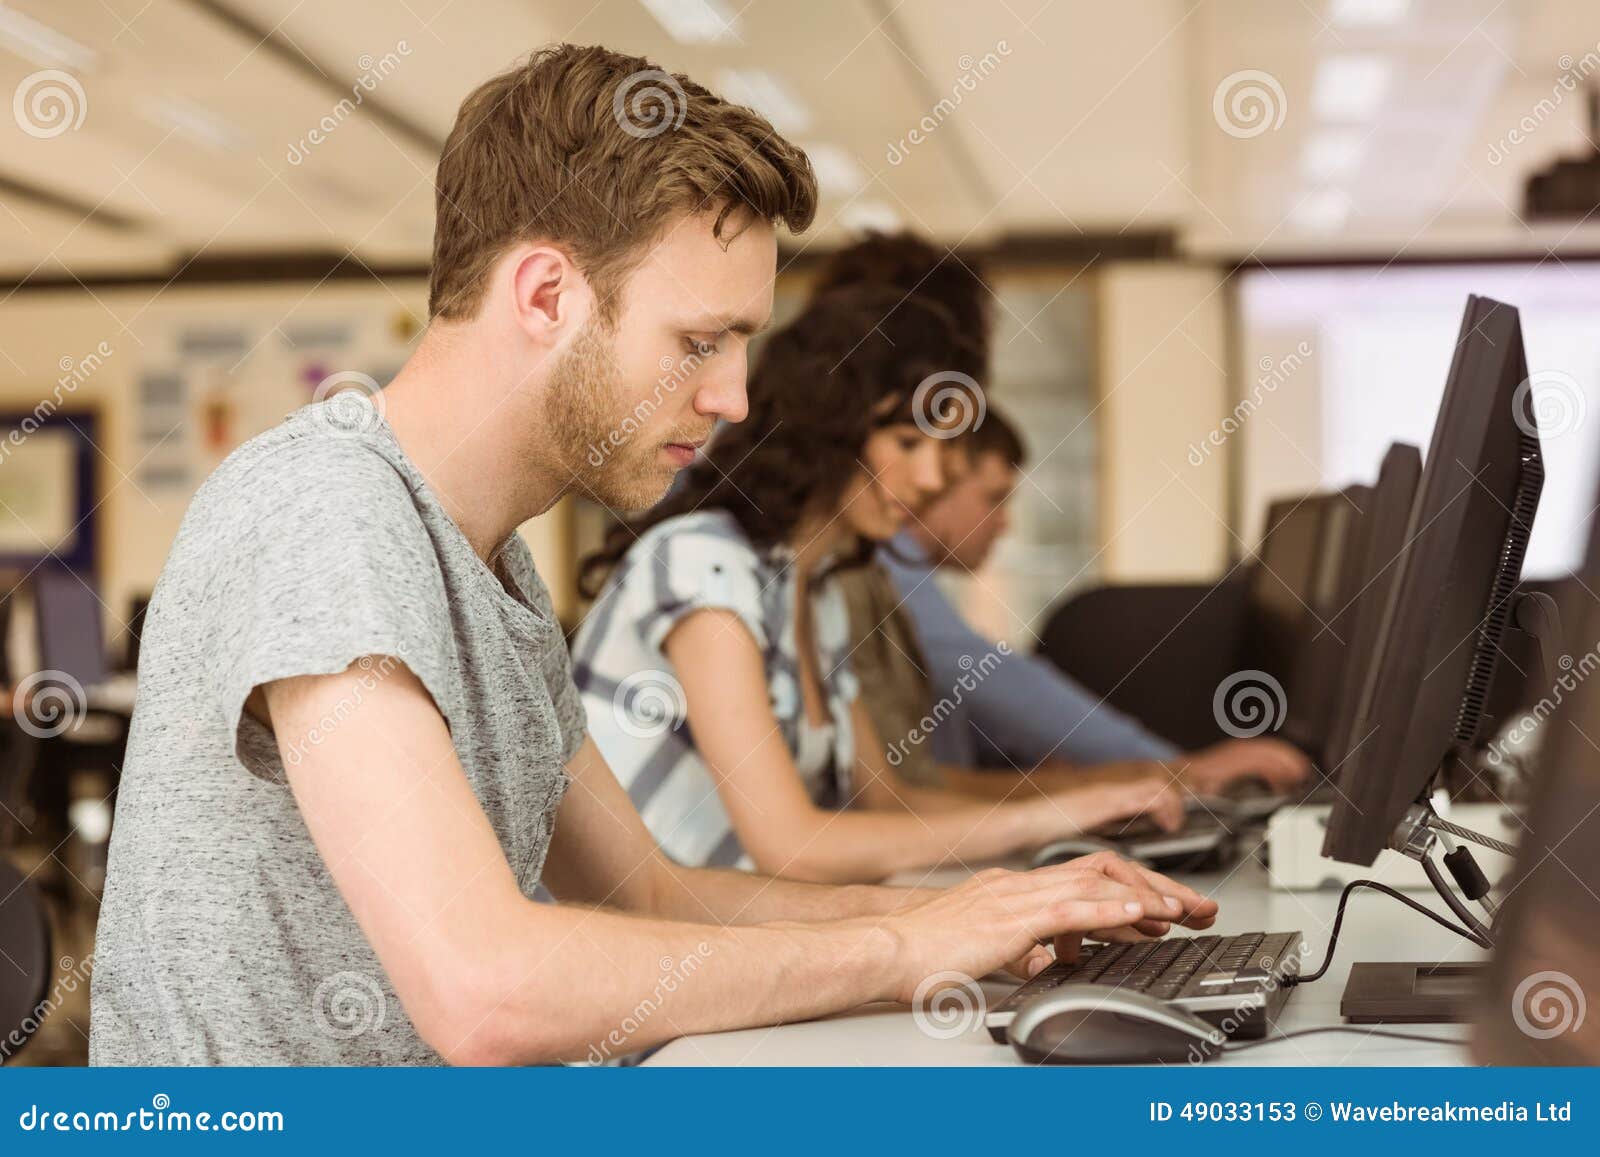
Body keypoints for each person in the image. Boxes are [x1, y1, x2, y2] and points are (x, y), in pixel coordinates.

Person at [89, 45, 1216, 1067]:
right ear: (544, 295)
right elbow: (485, 990)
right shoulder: (323, 508)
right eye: (696, 342)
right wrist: (901, 945)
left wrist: (977, 911)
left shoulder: (494, 565)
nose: (731, 397)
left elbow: (654, 893)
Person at [571, 288, 1186, 884]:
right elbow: (792, 847)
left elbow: (888, 804)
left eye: (942, 450)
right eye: (906, 442)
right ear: (827, 432)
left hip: (735, 947)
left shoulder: (819, 595)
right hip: (635, 961)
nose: (931, 479)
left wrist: (1082, 821)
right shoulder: (702, 563)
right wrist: (1053, 817)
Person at [812, 231, 1307, 795]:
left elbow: (909, 787)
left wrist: (1118, 784)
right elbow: (967, 674)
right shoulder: (813, 538)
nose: (935, 471)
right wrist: (1173, 775)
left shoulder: (858, 549)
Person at [879, 408, 1310, 794]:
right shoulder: (883, 565)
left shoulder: (901, 571)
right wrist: (1177, 771)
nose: (1003, 523)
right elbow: (985, 678)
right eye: (993, 498)